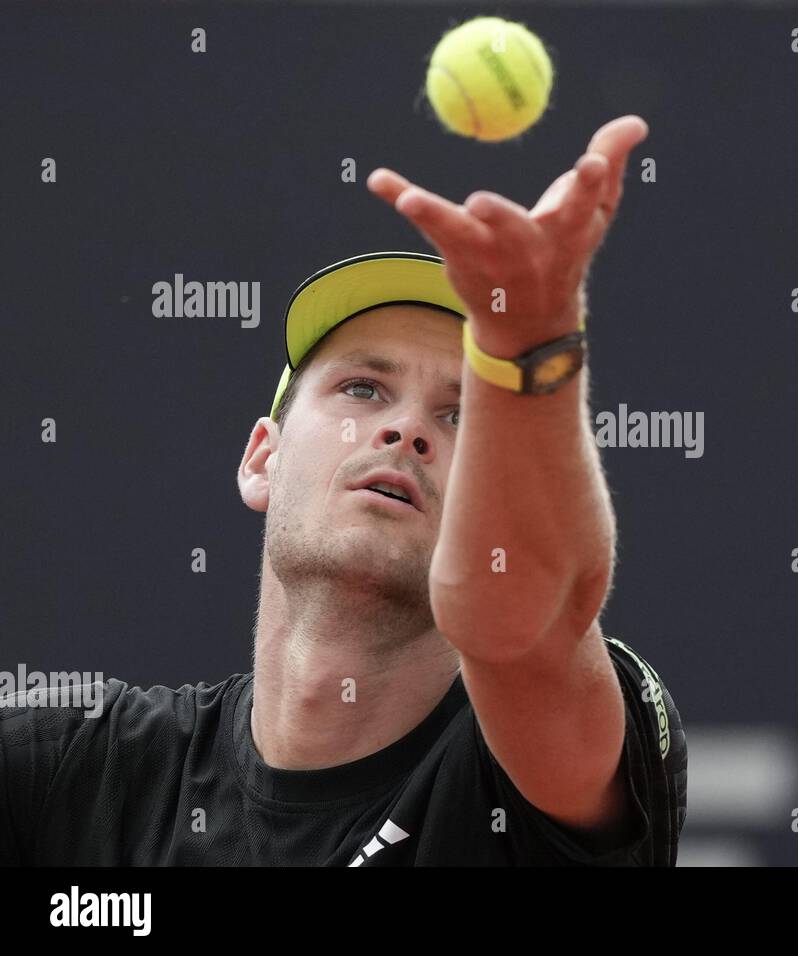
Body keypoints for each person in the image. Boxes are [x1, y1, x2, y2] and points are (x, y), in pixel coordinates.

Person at [0, 115, 686, 865]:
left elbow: (530, 619)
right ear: (263, 458)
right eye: (363, 389)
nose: (405, 430)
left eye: (463, 416)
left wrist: (536, 345)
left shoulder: (521, 775)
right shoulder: (73, 777)